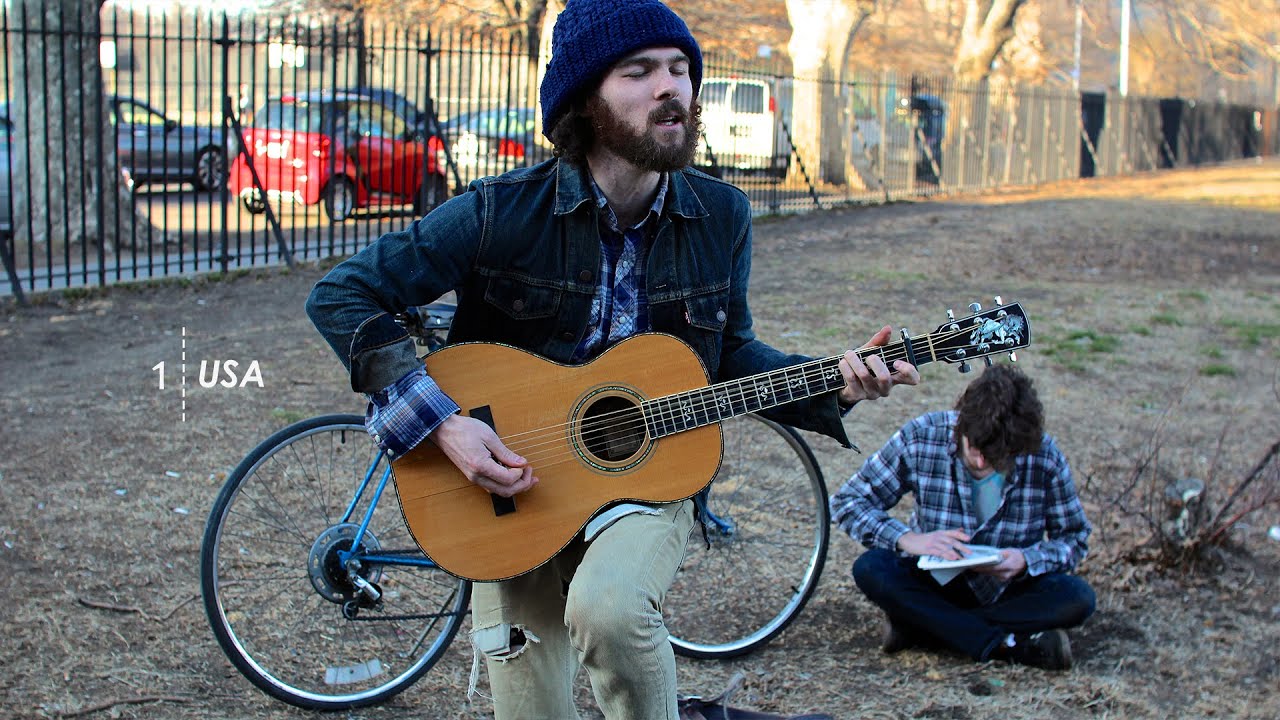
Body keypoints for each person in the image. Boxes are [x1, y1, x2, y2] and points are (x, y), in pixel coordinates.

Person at [306, 0, 919, 716]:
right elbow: (343, 295)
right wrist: (444, 424)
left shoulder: (721, 216)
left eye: (681, 69)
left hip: (650, 472)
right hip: (511, 483)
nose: (672, 88)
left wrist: (835, 384)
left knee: (611, 612)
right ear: (585, 99)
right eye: (641, 71)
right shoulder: (502, 211)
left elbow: (729, 354)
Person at [829, 364, 1095, 671]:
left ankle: (924, 626)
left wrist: (1026, 560)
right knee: (871, 568)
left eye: (996, 456)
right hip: (935, 581)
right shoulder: (923, 435)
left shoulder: (1044, 455)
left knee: (1078, 597)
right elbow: (848, 502)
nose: (981, 460)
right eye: (975, 447)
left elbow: (1074, 539)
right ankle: (1007, 643)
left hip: (1008, 590)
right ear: (962, 423)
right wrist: (909, 539)